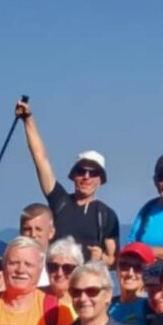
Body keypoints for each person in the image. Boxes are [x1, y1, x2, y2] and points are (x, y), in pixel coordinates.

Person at [15, 98, 118, 264]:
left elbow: (115, 260)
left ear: (100, 180)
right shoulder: (59, 202)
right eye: (81, 171)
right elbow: (40, 159)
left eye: (93, 173)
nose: (86, 177)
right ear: (73, 176)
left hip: (86, 279)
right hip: (55, 276)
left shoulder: (106, 215)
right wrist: (28, 119)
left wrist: (101, 258)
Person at [108, 242, 154, 325]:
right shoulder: (107, 306)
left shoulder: (152, 307)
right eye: (124, 266)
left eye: (138, 268)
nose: (130, 273)